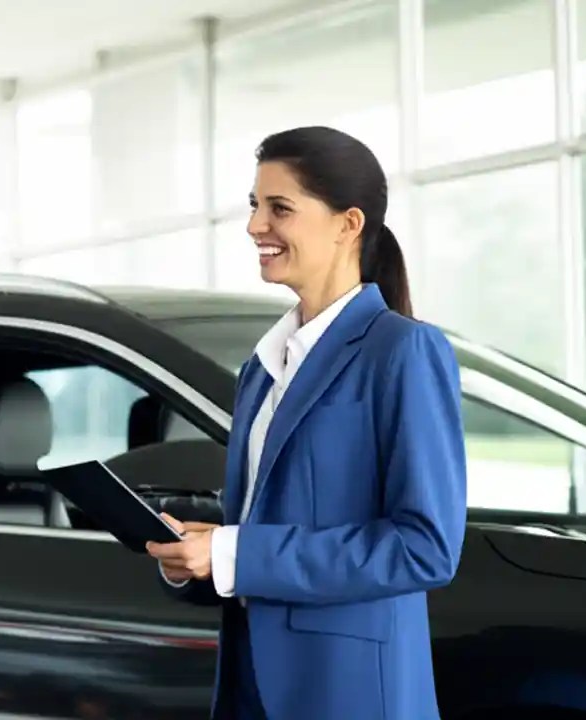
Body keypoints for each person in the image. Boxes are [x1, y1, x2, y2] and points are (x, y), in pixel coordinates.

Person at [148, 126, 466, 720]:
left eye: (279, 208)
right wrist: (201, 553)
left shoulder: (403, 352)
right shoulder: (263, 367)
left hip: (350, 693)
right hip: (253, 685)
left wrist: (234, 552)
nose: (254, 227)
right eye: (253, 205)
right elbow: (273, 521)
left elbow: (424, 548)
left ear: (348, 225)